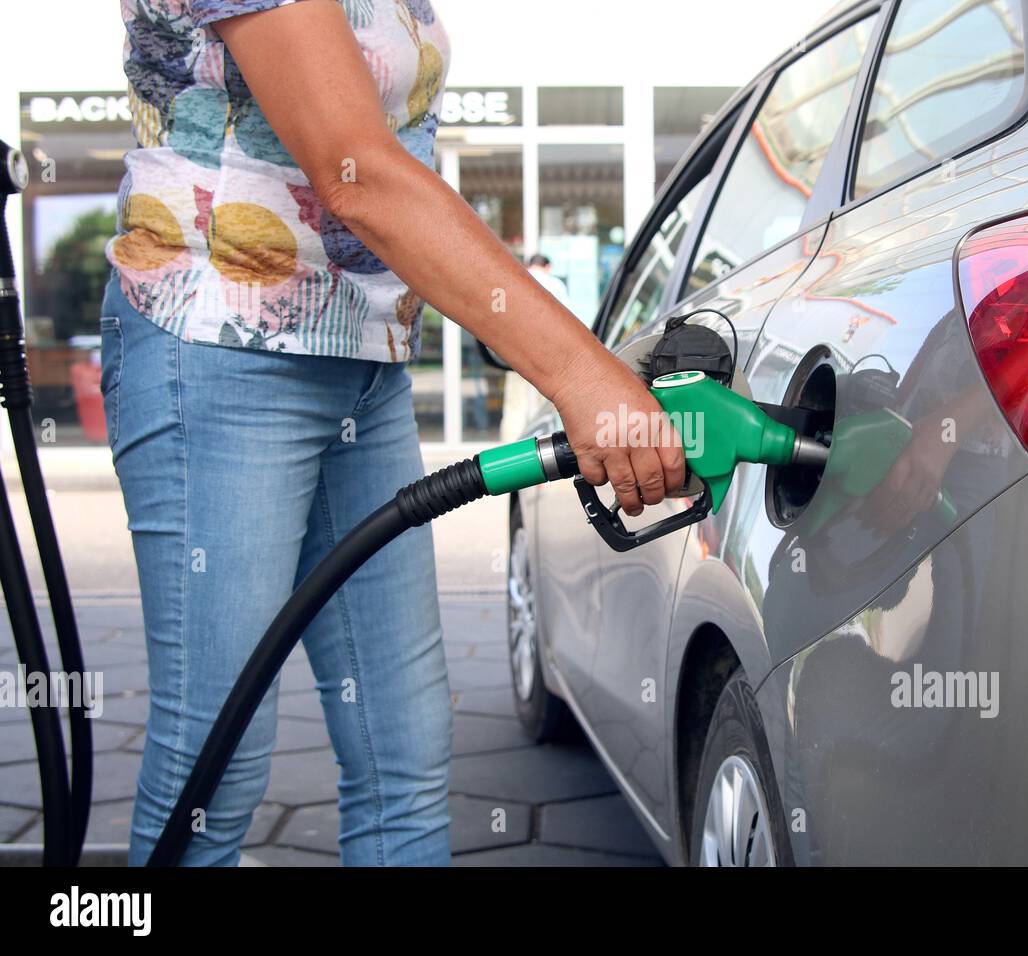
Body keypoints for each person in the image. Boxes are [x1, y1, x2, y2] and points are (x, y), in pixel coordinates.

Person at [103, 0, 682, 866]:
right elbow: (356, 171)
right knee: (214, 768)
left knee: (402, 756)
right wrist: (577, 372)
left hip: (360, 355)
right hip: (219, 339)